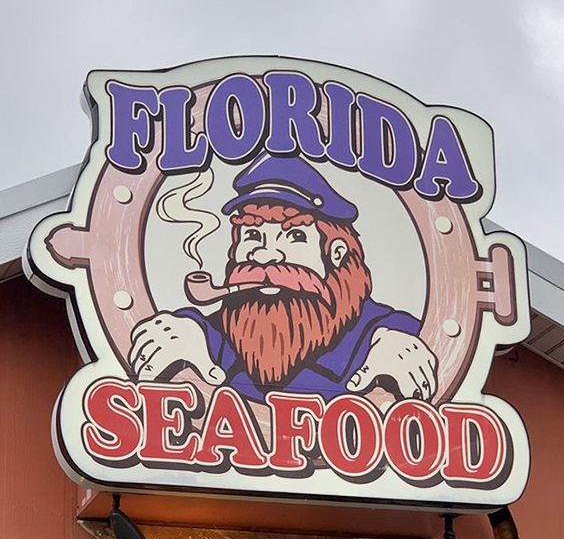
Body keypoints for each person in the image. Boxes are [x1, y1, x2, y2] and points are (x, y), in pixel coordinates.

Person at [129, 154, 437, 404]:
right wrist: (182, 332)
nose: (265, 254)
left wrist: (410, 345)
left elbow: (402, 334)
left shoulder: (377, 336)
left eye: (294, 235)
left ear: (337, 253)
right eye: (252, 234)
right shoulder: (217, 336)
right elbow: (203, 330)